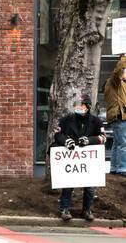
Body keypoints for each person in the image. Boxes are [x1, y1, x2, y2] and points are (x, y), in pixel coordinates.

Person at [53, 93, 106, 222]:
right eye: (77, 105)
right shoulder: (66, 120)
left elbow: (103, 138)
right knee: (68, 183)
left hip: (88, 160)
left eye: (82, 105)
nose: (79, 107)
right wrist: (66, 141)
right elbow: (57, 135)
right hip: (71, 158)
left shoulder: (96, 121)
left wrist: (89, 140)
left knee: (89, 186)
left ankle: (87, 210)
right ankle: (64, 209)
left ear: (88, 107)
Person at [106, 55, 126, 176]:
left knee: (117, 143)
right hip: (119, 116)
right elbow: (119, 69)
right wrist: (124, 57)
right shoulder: (114, 81)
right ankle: (122, 168)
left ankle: (114, 167)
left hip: (119, 116)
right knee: (123, 143)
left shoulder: (121, 85)